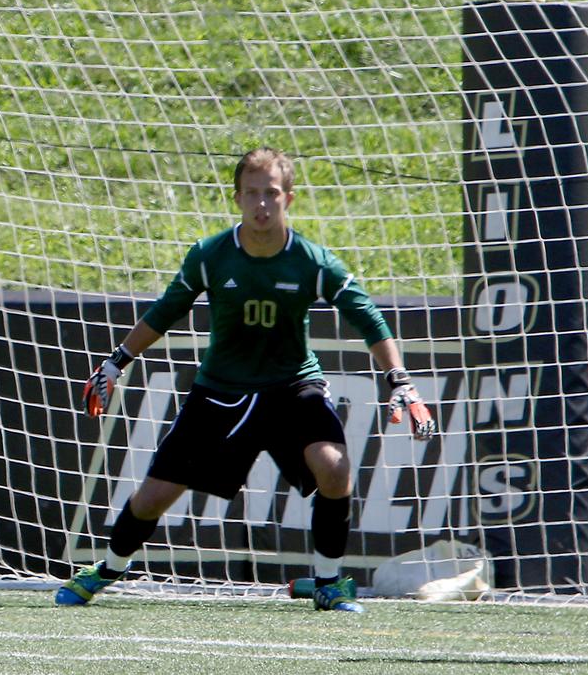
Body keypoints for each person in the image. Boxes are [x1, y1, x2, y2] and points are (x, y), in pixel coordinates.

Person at [58, 147, 436, 612]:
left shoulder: (314, 262)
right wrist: (117, 362)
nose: (261, 203)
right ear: (236, 198)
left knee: (335, 468)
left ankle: (329, 582)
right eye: (252, 193)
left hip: (292, 388)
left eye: (271, 193)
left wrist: (399, 379)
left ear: (288, 199)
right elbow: (167, 310)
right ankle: (110, 567)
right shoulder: (210, 256)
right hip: (221, 391)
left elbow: (368, 318)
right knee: (153, 497)